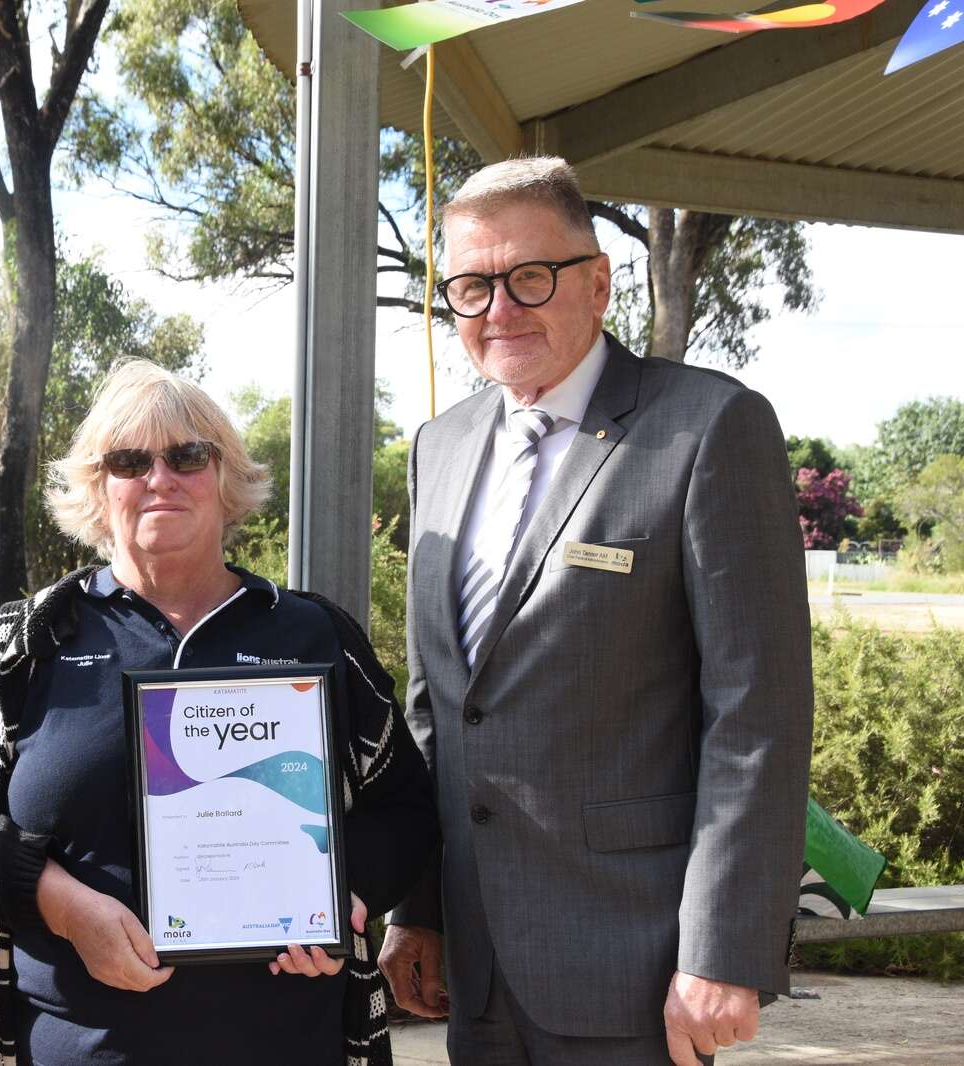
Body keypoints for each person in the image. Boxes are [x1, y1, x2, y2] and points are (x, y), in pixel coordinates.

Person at [379, 157, 813, 1066]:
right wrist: (417, 908)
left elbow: (757, 716)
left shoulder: (708, 428)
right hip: (476, 964)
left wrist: (723, 950)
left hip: (638, 964)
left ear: (598, 282)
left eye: (529, 276)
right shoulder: (440, 446)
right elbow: (436, 707)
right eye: (469, 286)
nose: (499, 308)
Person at [0, 359, 437, 1065]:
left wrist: (344, 895)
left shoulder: (313, 633)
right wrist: (62, 903)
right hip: (75, 1046)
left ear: (225, 477)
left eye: (187, 455)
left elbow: (406, 810)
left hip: (285, 1042)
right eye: (128, 461)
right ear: (98, 488)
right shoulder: (24, 643)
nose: (160, 478)